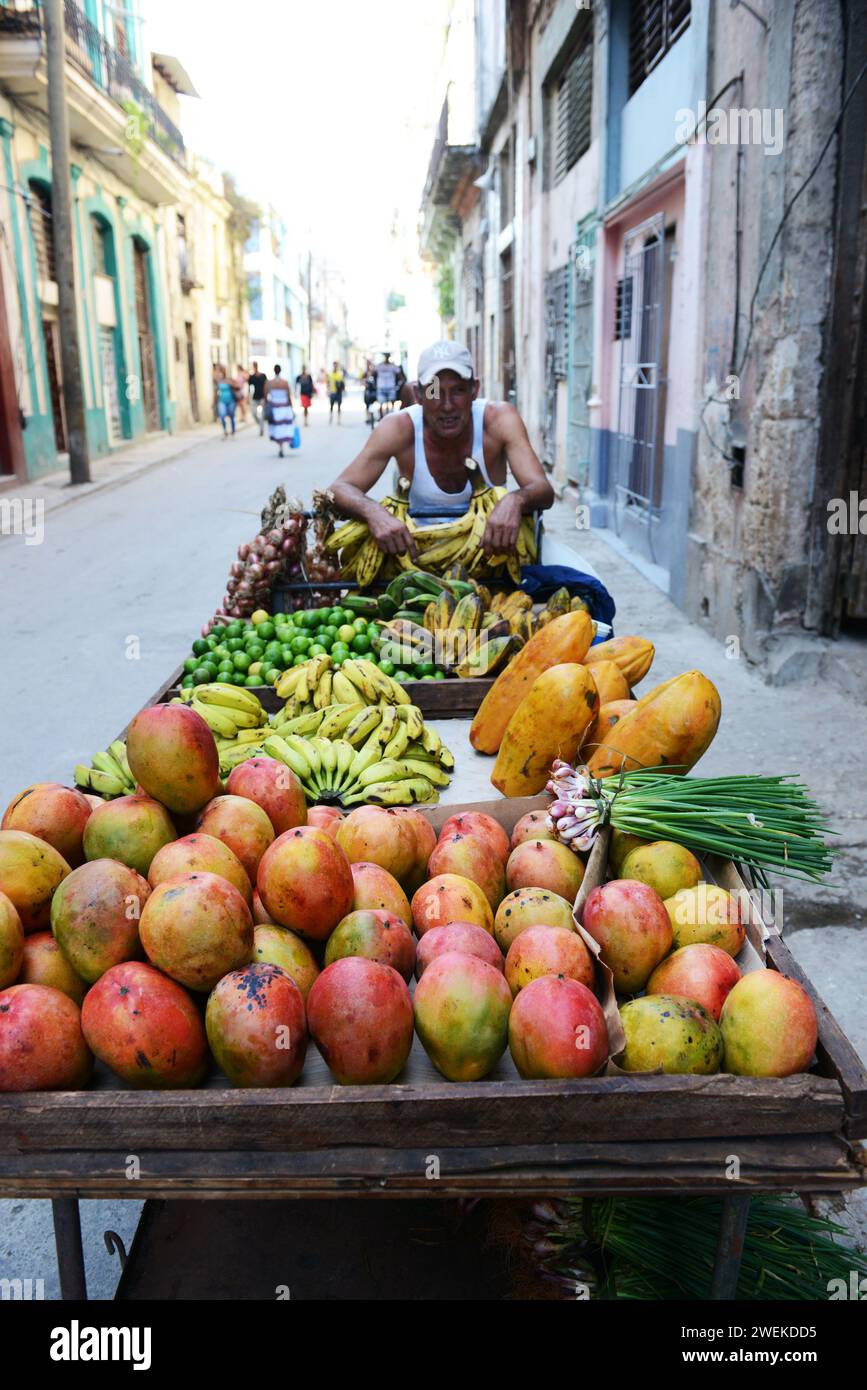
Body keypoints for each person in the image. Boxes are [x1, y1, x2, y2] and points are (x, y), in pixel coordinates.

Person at [330, 340, 554, 554]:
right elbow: (338, 489)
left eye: (458, 391)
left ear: (474, 390)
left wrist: (515, 500)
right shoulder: (398, 428)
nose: (447, 406)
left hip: (491, 556)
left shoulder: (499, 420)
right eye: (434, 392)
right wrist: (374, 512)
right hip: (420, 558)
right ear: (418, 394)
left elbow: (542, 488)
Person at [265, 364, 295, 459]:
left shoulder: (269, 383)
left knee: (277, 428)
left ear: (274, 371)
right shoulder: (285, 383)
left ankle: (280, 447)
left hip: (275, 407)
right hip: (284, 407)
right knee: (284, 427)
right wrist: (291, 408)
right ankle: (282, 446)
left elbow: (266, 396)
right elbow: (288, 396)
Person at [374, 352, 400, 420]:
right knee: (380, 403)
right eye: (386, 356)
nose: (387, 357)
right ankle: (381, 417)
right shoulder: (379, 365)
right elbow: (374, 374)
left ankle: (391, 415)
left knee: (392, 401)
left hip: (391, 386)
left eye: (388, 356)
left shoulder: (393, 366)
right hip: (381, 386)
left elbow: (399, 374)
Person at [214, 366, 237, 440]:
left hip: (231, 400)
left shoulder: (229, 380)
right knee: (222, 416)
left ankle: (233, 431)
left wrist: (232, 385)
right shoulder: (218, 381)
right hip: (222, 401)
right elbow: (216, 392)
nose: (220, 375)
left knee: (231, 416)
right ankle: (225, 431)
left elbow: (237, 387)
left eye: (221, 373)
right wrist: (214, 402)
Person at [247, 361, 267, 434]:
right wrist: (248, 397)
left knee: (262, 414)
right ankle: (260, 425)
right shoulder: (251, 377)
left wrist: (266, 396)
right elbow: (249, 387)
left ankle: (261, 428)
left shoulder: (263, 376)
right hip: (255, 397)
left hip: (262, 397)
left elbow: (266, 385)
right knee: (254, 413)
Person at [327, 360, 346, 424]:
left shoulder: (340, 373)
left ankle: (338, 420)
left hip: (338, 392)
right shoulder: (330, 374)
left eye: (336, 365)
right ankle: (331, 417)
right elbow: (328, 382)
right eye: (334, 365)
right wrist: (328, 390)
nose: (335, 366)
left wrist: (343, 389)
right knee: (331, 406)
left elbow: (343, 382)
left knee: (339, 406)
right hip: (332, 392)